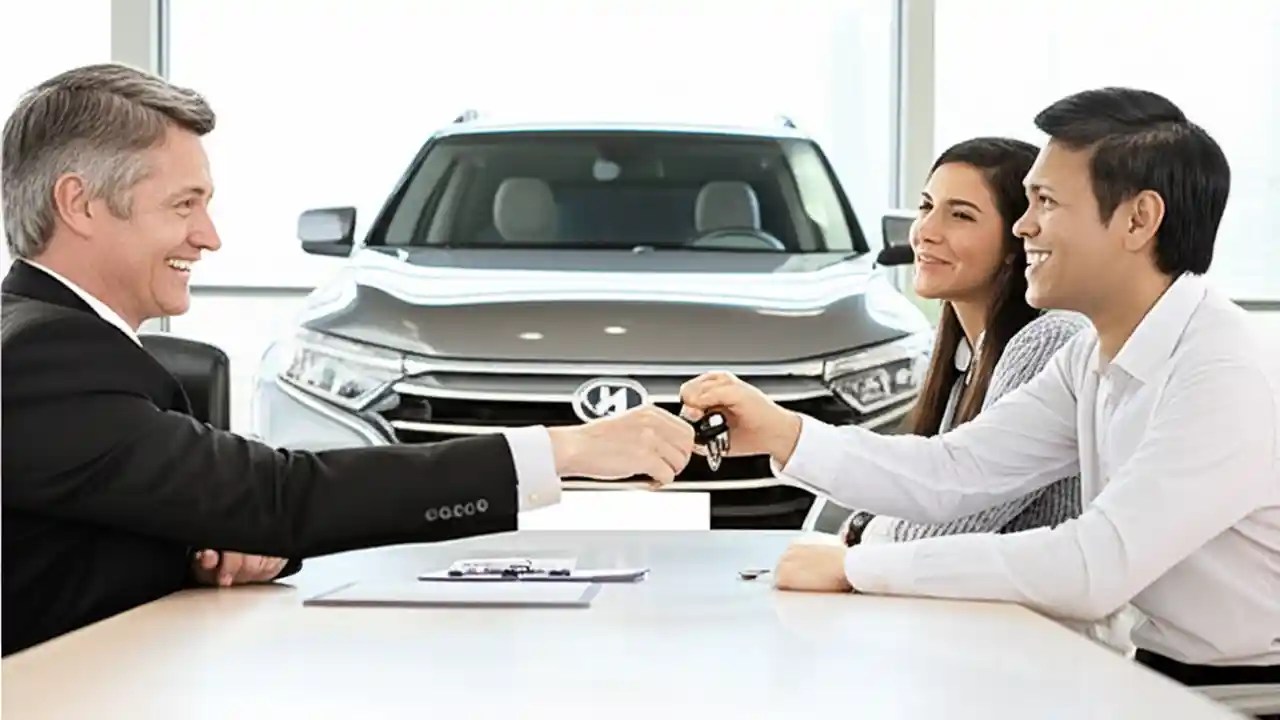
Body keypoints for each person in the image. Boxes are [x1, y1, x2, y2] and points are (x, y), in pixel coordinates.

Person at [0, 63, 695, 656]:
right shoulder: (42, 359)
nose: (208, 236)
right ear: (79, 204)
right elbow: (280, 496)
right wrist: (564, 450)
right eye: (184, 204)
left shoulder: (45, 340)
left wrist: (207, 534)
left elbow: (183, 511)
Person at [680, 87, 1279, 686]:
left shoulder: (1222, 372)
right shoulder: (1091, 355)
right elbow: (956, 472)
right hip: (1165, 674)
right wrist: (782, 433)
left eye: (1045, 201)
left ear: (1138, 219)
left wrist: (860, 567)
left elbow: (1091, 565)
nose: (1024, 226)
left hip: (1247, 690)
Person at [813, 136, 1087, 546]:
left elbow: (955, 521)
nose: (926, 231)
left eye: (960, 215)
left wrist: (857, 536)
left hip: (1034, 611)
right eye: (926, 207)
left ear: (1018, 240)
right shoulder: (965, 359)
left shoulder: (1052, 340)